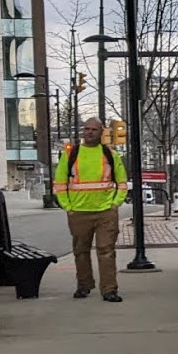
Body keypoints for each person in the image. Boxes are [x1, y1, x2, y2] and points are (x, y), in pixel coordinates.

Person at [53, 117, 128, 302]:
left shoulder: (110, 154)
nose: (89, 132)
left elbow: (122, 182)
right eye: (86, 129)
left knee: (106, 250)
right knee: (80, 251)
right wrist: (68, 207)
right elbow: (59, 182)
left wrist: (115, 204)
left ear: (101, 131)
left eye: (94, 129)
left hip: (105, 212)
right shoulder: (71, 154)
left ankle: (109, 289)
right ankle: (84, 285)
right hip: (79, 212)